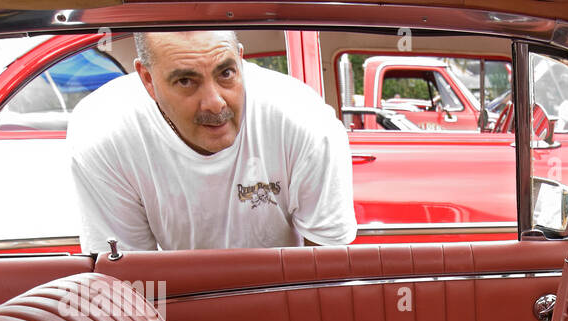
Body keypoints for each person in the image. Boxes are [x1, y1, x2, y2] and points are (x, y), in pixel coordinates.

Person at [68, 31, 357, 254]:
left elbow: (324, 272)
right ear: (147, 80)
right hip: (176, 309)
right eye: (186, 81)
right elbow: (127, 282)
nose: (215, 104)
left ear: (241, 60)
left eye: (226, 73)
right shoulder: (104, 135)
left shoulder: (304, 119)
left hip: (286, 301)